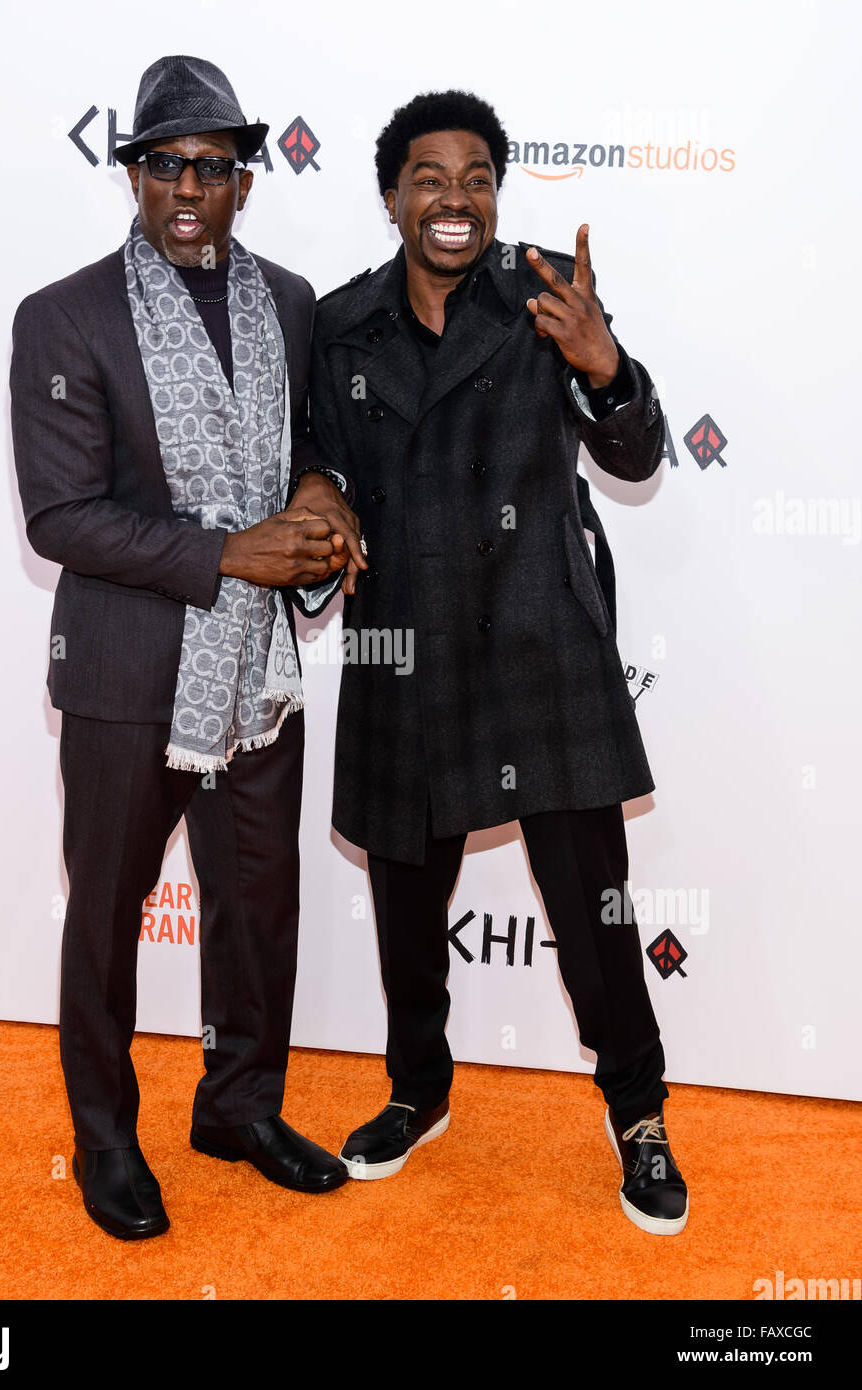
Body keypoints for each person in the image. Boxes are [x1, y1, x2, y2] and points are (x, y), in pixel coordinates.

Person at [308, 90, 688, 1235]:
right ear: (390, 198)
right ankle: (415, 1090)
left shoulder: (542, 298)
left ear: (495, 194)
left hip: (536, 645)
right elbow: (319, 460)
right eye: (429, 177)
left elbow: (633, 449)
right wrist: (320, 499)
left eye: (476, 177)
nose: (454, 198)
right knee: (403, 909)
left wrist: (604, 361)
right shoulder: (338, 326)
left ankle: (637, 1115)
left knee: (597, 917)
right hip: (402, 651)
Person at [9, 55, 363, 1240]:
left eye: (212, 167)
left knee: (258, 907)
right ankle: (106, 1138)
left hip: (255, 675)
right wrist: (229, 554)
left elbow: (313, 442)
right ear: (132, 172)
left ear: (244, 183)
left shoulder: (294, 303)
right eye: (164, 163)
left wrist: (322, 496)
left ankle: (239, 1107)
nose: (187, 187)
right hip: (125, 678)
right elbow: (61, 515)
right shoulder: (63, 315)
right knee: (106, 914)